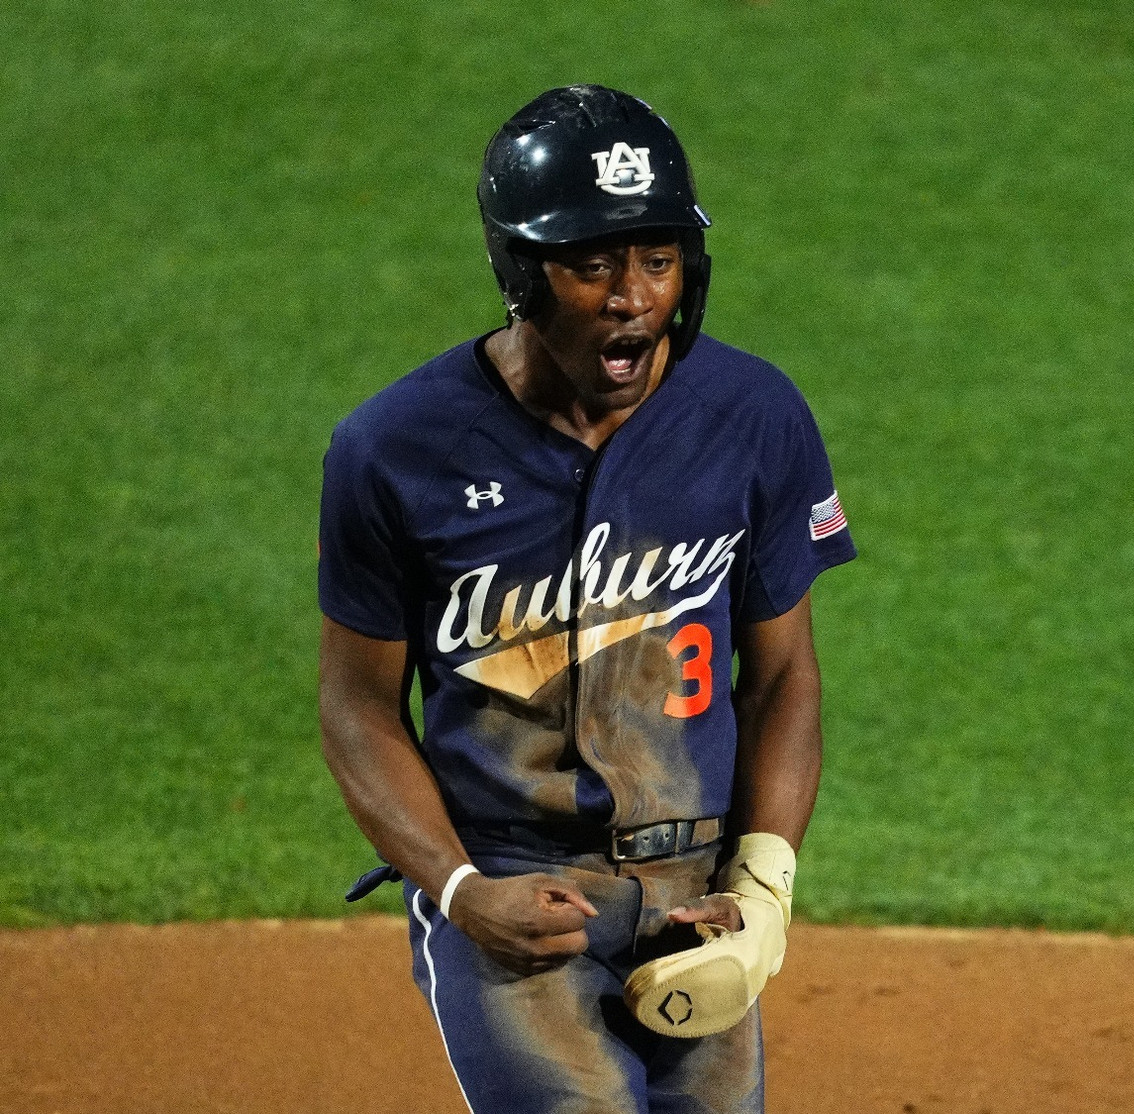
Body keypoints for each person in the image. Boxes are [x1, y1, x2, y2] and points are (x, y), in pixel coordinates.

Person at [317, 85, 855, 1114]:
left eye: (656, 260)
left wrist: (763, 886)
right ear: (522, 272)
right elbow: (356, 708)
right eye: (592, 263)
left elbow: (784, 674)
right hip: (516, 895)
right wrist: (463, 893)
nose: (631, 297)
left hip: (698, 895)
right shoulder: (394, 449)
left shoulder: (754, 416)